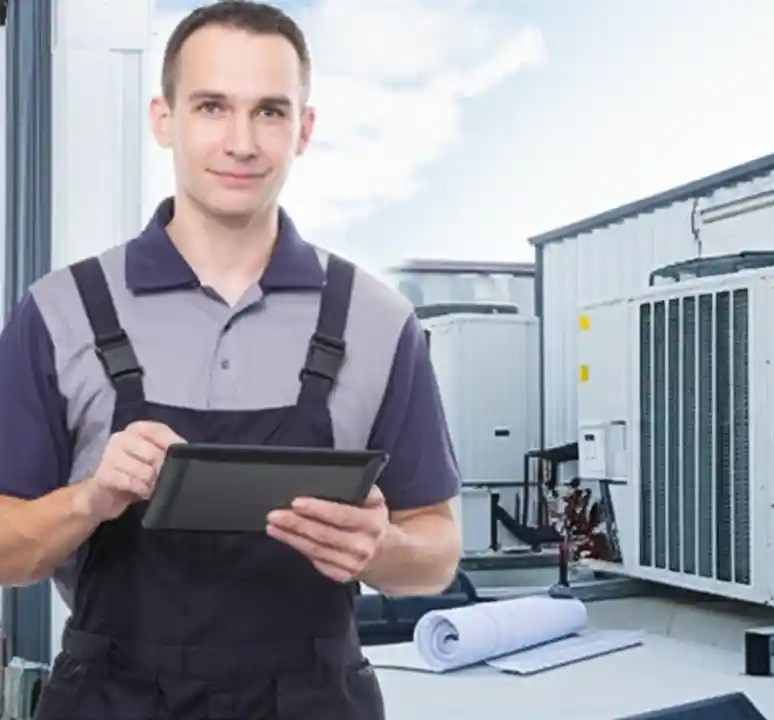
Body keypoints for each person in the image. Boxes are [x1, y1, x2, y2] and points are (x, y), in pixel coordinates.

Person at [0, 1, 463, 718]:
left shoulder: (378, 321)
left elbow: (436, 551)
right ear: (165, 118)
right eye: (212, 106)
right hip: (111, 698)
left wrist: (380, 549)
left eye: (270, 111)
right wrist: (90, 499)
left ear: (304, 129)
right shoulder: (60, 311)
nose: (241, 142)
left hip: (314, 699)